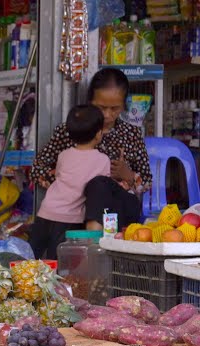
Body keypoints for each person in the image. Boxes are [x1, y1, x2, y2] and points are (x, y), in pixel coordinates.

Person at [33, 68, 151, 252]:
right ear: (90, 102)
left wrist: (127, 175)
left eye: (115, 108)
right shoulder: (70, 130)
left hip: (116, 211)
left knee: (98, 184)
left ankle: (94, 239)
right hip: (73, 215)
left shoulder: (131, 134)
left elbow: (147, 181)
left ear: (124, 105)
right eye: (101, 107)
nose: (107, 115)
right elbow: (37, 168)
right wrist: (69, 183)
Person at [31, 105, 129, 259]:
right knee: (58, 262)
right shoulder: (102, 160)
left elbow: (59, 175)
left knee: (32, 256)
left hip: (45, 213)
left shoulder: (63, 155)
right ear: (98, 134)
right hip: (70, 220)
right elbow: (99, 188)